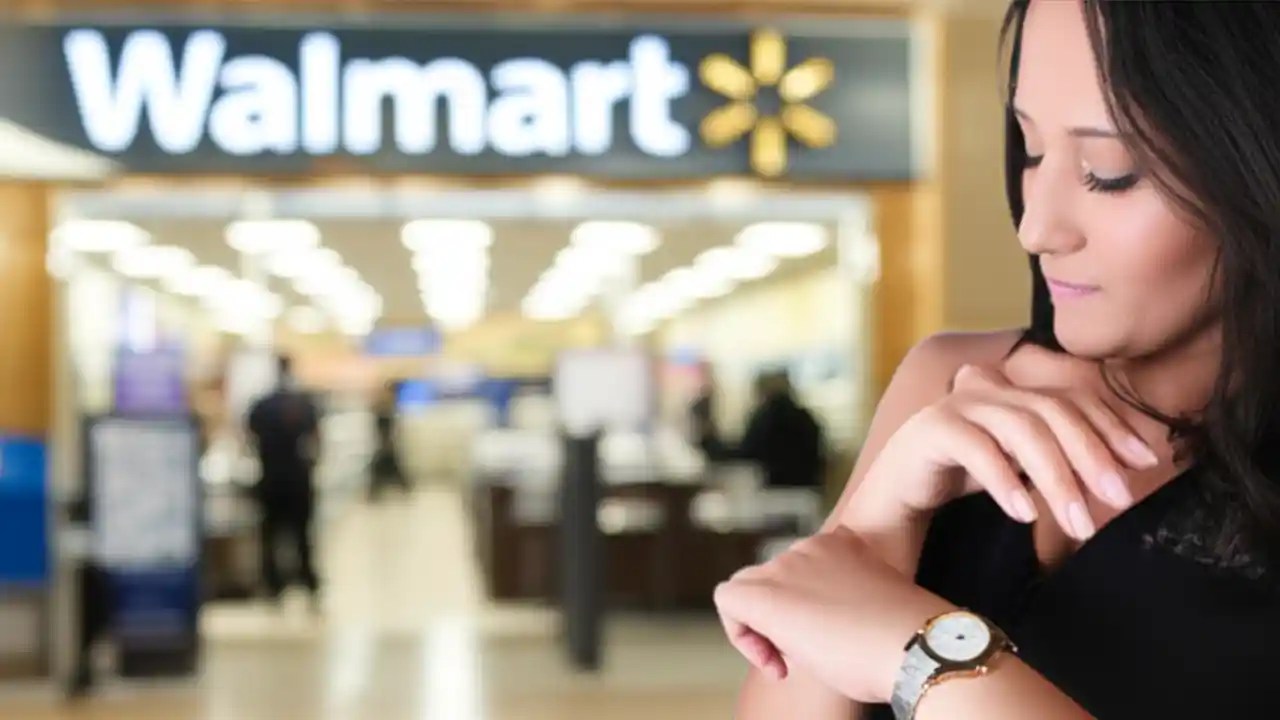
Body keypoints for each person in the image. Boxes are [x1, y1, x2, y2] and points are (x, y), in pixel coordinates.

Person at [719, 2, 1280, 718]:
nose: (1035, 225)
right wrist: (877, 524)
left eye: (1108, 170)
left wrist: (916, 651)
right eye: (1032, 149)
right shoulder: (951, 383)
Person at [246, 355, 322, 604]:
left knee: (271, 536)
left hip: (270, 478)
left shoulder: (262, 405)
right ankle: (308, 582)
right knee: (302, 535)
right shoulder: (303, 404)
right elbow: (316, 440)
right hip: (298, 479)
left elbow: (249, 438)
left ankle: (273, 585)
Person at [709, 370, 826, 492]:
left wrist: (712, 446)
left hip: (777, 491)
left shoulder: (766, 418)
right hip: (809, 492)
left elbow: (747, 452)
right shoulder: (806, 417)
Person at [368, 381, 411, 501]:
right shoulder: (385, 409)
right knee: (382, 468)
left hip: (386, 445)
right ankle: (374, 493)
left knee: (385, 468)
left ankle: (374, 493)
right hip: (385, 445)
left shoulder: (388, 409)